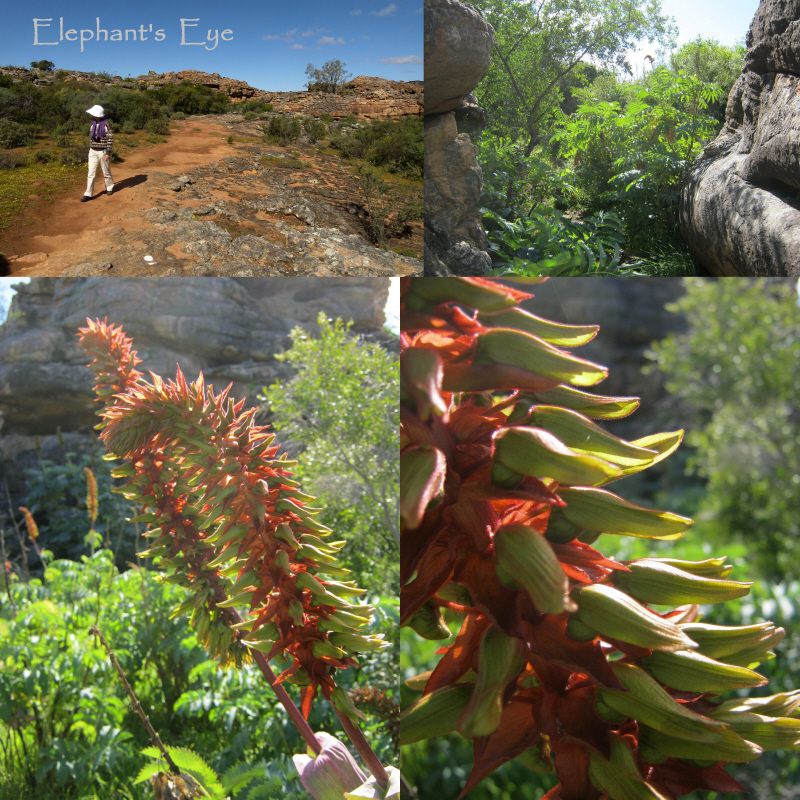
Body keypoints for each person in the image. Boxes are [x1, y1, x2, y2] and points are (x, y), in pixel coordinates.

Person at [81, 104, 114, 202]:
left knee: (106, 171)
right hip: (92, 151)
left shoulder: (106, 124)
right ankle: (88, 193)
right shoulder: (93, 123)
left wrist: (108, 152)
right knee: (90, 172)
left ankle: (109, 187)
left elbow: (110, 139)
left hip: (103, 151)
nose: (92, 115)